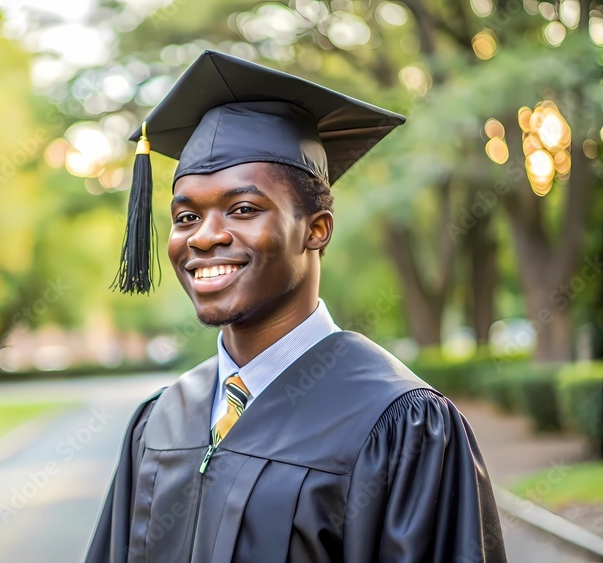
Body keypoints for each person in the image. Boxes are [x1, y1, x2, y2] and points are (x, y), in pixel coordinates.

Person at [85, 50, 505, 563]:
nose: (205, 237)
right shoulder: (160, 419)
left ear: (316, 229)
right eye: (187, 216)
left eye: (242, 209)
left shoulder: (399, 423)